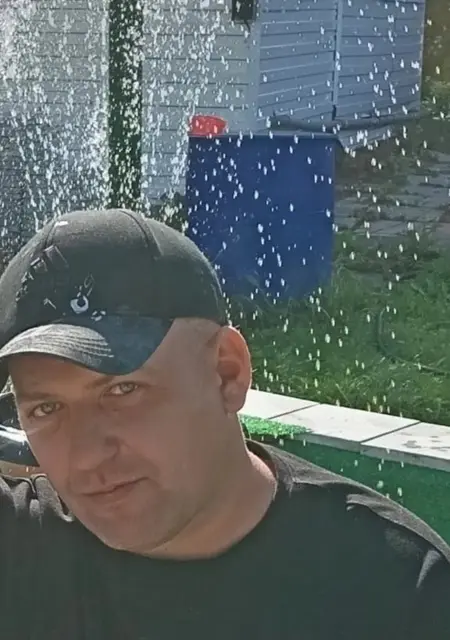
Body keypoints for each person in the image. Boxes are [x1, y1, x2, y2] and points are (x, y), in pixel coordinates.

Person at [0, 208, 448, 640]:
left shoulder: (400, 590)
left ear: (226, 373)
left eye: (123, 390)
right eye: (46, 409)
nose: (86, 454)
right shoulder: (21, 548)